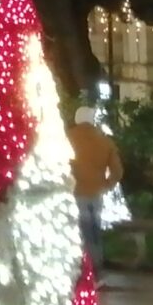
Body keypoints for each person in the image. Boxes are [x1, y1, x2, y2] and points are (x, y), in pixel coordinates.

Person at [67, 104, 123, 270]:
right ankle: (97, 264)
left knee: (80, 230)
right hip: (97, 192)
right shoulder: (105, 141)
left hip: (74, 191)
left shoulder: (67, 138)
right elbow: (118, 171)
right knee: (94, 230)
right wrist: (107, 185)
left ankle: (83, 266)